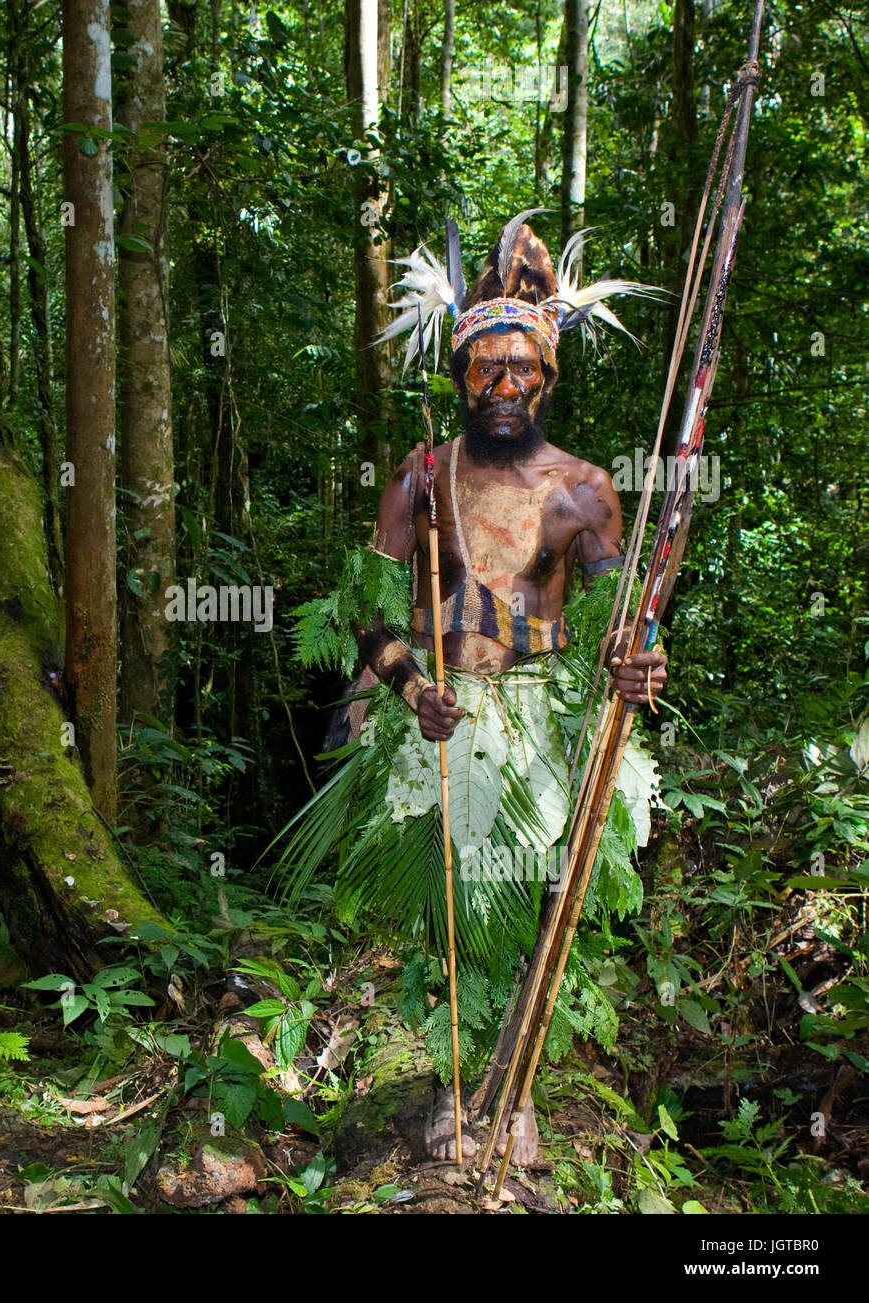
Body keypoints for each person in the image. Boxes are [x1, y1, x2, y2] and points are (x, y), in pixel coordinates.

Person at [279, 213, 666, 1164]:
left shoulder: (586, 489)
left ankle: (518, 1089)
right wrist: (411, 692)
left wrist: (637, 664)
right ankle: (455, 1089)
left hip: (545, 720)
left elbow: (624, 622)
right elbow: (366, 611)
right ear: (458, 377)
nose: (501, 387)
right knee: (450, 909)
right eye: (483, 370)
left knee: (541, 902)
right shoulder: (420, 476)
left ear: (546, 374)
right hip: (438, 720)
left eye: (520, 370)